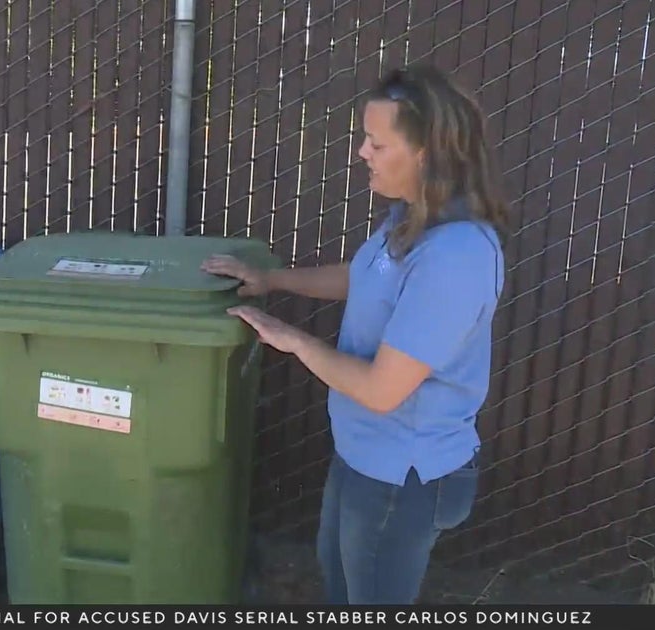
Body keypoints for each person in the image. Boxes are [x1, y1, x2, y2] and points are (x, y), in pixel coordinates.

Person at [202, 63, 510, 605]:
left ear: (426, 153)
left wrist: (293, 340)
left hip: (403, 474)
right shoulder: (413, 219)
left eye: (376, 143)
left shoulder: (455, 256)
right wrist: (271, 280)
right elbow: (364, 276)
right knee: (341, 584)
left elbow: (382, 390)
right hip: (363, 453)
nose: (362, 152)